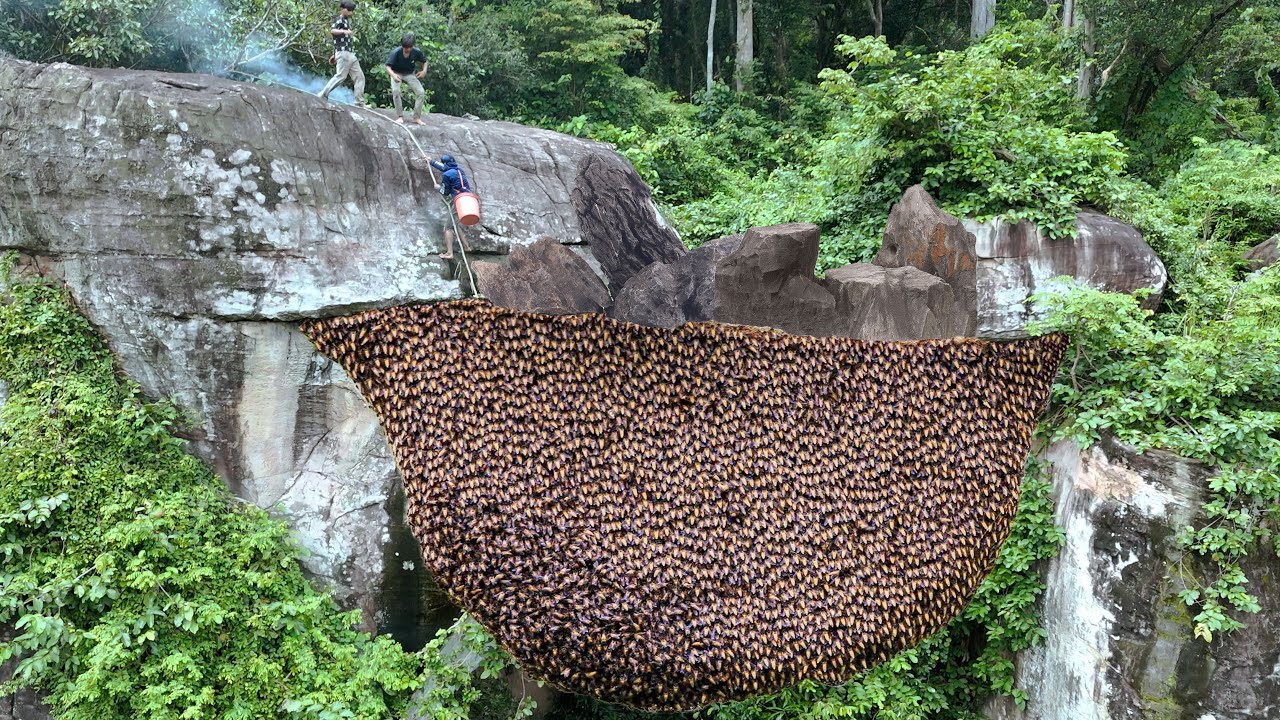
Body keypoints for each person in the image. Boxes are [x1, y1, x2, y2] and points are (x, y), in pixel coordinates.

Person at [319, 1, 365, 106]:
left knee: (359, 77)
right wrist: (344, 31)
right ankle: (323, 94)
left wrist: (334, 55)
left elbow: (338, 41)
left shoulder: (346, 21)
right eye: (348, 10)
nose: (350, 13)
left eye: (351, 11)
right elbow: (333, 31)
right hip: (343, 53)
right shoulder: (339, 19)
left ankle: (359, 102)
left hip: (350, 53)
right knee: (341, 76)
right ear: (342, 9)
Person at [429, 155, 473, 260]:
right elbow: (444, 168)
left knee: (448, 228)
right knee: (455, 224)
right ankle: (466, 246)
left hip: (459, 201)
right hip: (469, 199)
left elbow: (445, 191)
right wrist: (431, 162)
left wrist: (438, 188)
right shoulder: (459, 170)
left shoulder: (447, 174)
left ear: (445, 163)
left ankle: (449, 253)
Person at [386, 34, 428, 125]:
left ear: (413, 46)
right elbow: (388, 67)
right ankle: (400, 116)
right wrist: (393, 75)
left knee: (421, 92)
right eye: (406, 47)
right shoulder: (396, 52)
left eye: (410, 47)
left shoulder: (416, 52)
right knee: (396, 91)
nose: (408, 49)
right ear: (402, 46)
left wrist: (424, 71)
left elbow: (424, 61)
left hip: (409, 74)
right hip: (396, 73)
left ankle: (416, 118)